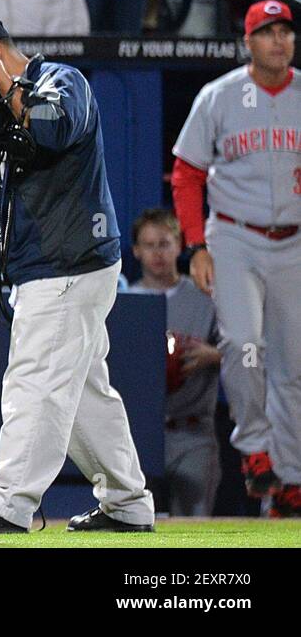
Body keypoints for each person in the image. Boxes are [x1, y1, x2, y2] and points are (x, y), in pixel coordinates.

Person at [0, 15, 155, 534]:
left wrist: (6, 84)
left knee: (35, 380)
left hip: (70, 261)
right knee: (82, 395)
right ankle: (127, 502)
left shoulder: (61, 80)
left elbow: (54, 128)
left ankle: (10, 502)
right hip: (44, 267)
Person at [171, 0, 301, 517]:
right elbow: (186, 173)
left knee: (293, 368)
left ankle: (289, 480)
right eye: (268, 32)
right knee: (245, 345)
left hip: (293, 239)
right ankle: (254, 448)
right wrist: (195, 246)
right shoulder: (219, 96)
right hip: (235, 238)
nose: (280, 41)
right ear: (248, 41)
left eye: (286, 32)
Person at [130, 208, 222, 518]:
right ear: (136, 251)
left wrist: (213, 354)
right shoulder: (125, 300)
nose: (157, 253)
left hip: (193, 431)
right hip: (138, 433)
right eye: (149, 244)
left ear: (180, 245)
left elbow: (250, 351)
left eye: (165, 243)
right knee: (136, 525)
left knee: (195, 525)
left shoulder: (206, 297)